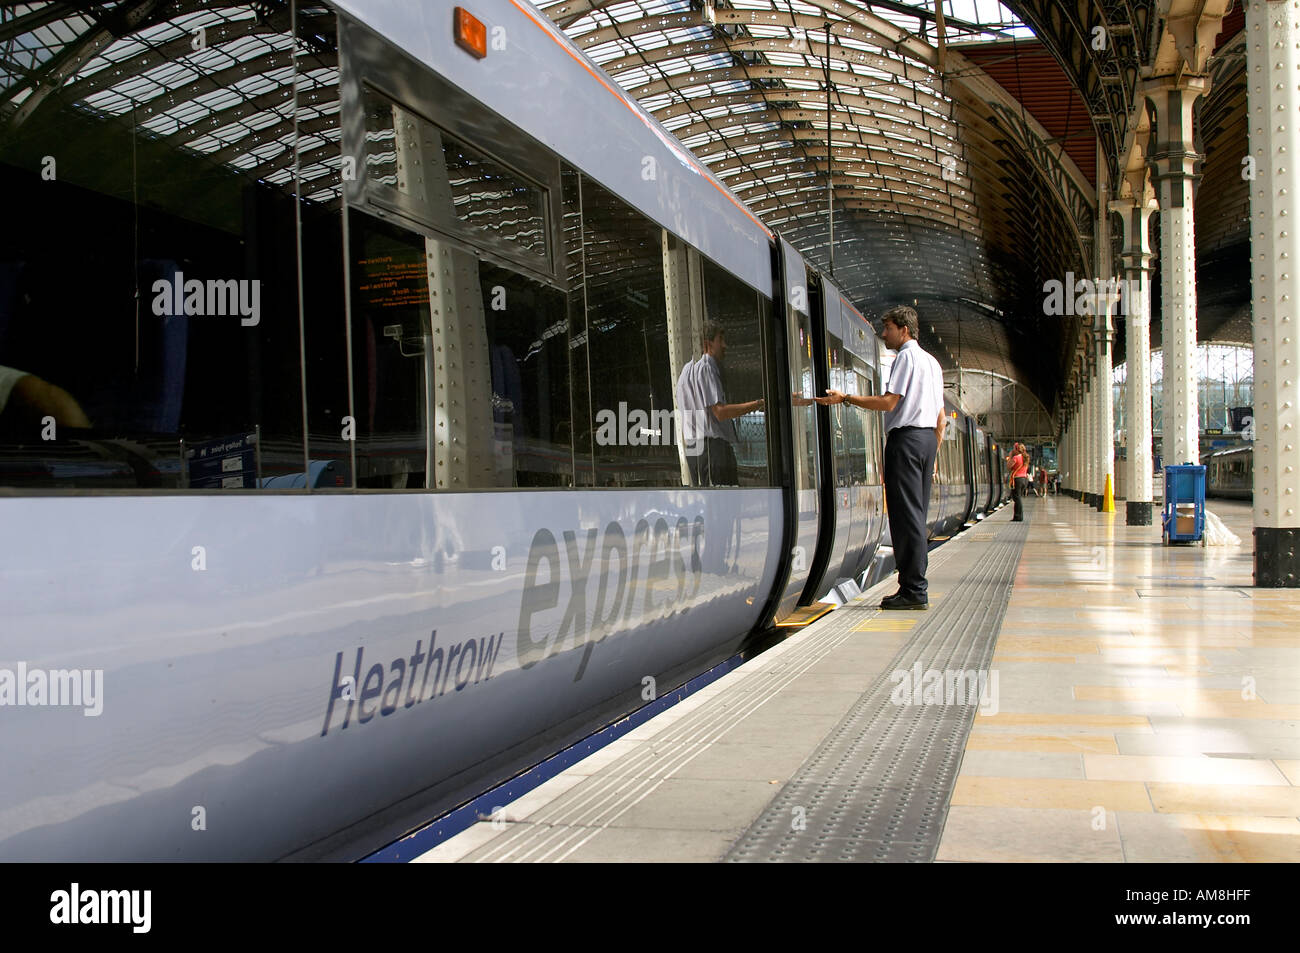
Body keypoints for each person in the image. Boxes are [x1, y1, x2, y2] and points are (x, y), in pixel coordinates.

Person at [816, 306, 943, 610]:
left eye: (887, 328)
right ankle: (914, 586)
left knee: (905, 518)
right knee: (917, 515)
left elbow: (888, 403)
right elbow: (941, 419)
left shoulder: (906, 358)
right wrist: (933, 453)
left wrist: (845, 398)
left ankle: (913, 590)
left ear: (904, 329)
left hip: (907, 440)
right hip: (926, 441)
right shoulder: (932, 363)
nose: (883, 334)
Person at [677, 322, 763, 486]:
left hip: (695, 450)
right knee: (725, 504)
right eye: (720, 340)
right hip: (713, 450)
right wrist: (758, 404)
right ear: (707, 344)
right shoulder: (707, 367)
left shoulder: (686, 372)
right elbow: (720, 412)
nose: (725, 345)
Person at [1005, 442, 1029, 521]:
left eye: (1014, 449)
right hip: (1024, 479)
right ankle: (1018, 516)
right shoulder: (1025, 458)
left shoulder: (1016, 458)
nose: (1013, 450)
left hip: (1017, 479)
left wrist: (1010, 456)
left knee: (1017, 498)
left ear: (1016, 450)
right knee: (1018, 498)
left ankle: (1018, 516)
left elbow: (1008, 466)